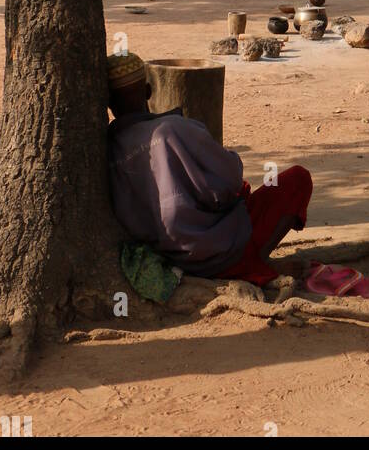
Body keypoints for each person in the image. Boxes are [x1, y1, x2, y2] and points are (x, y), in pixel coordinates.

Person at [106, 52, 312, 286]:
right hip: (215, 251)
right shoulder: (173, 129)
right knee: (297, 179)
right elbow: (230, 180)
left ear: (110, 103)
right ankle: (256, 262)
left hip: (168, 257)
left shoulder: (108, 149)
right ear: (148, 91)